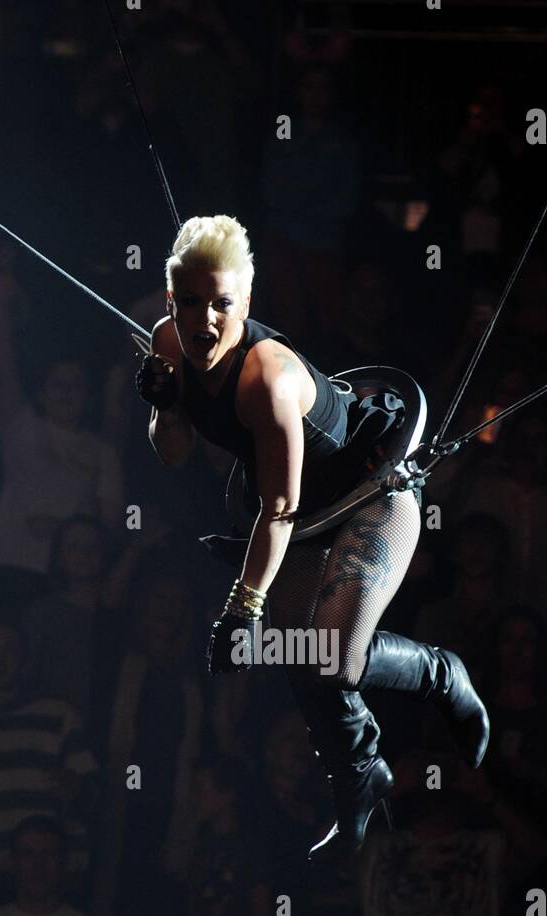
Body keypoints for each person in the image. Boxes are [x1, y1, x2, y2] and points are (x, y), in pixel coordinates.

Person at [136, 214, 490, 866]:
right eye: (189, 302)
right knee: (302, 654)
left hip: (370, 493)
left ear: (245, 302)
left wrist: (241, 609)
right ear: (170, 300)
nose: (204, 321)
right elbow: (173, 453)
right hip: (303, 516)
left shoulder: (266, 379)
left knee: (336, 661)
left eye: (221, 305)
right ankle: (359, 776)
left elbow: (279, 507)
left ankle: (441, 673)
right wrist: (164, 405)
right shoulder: (166, 342)